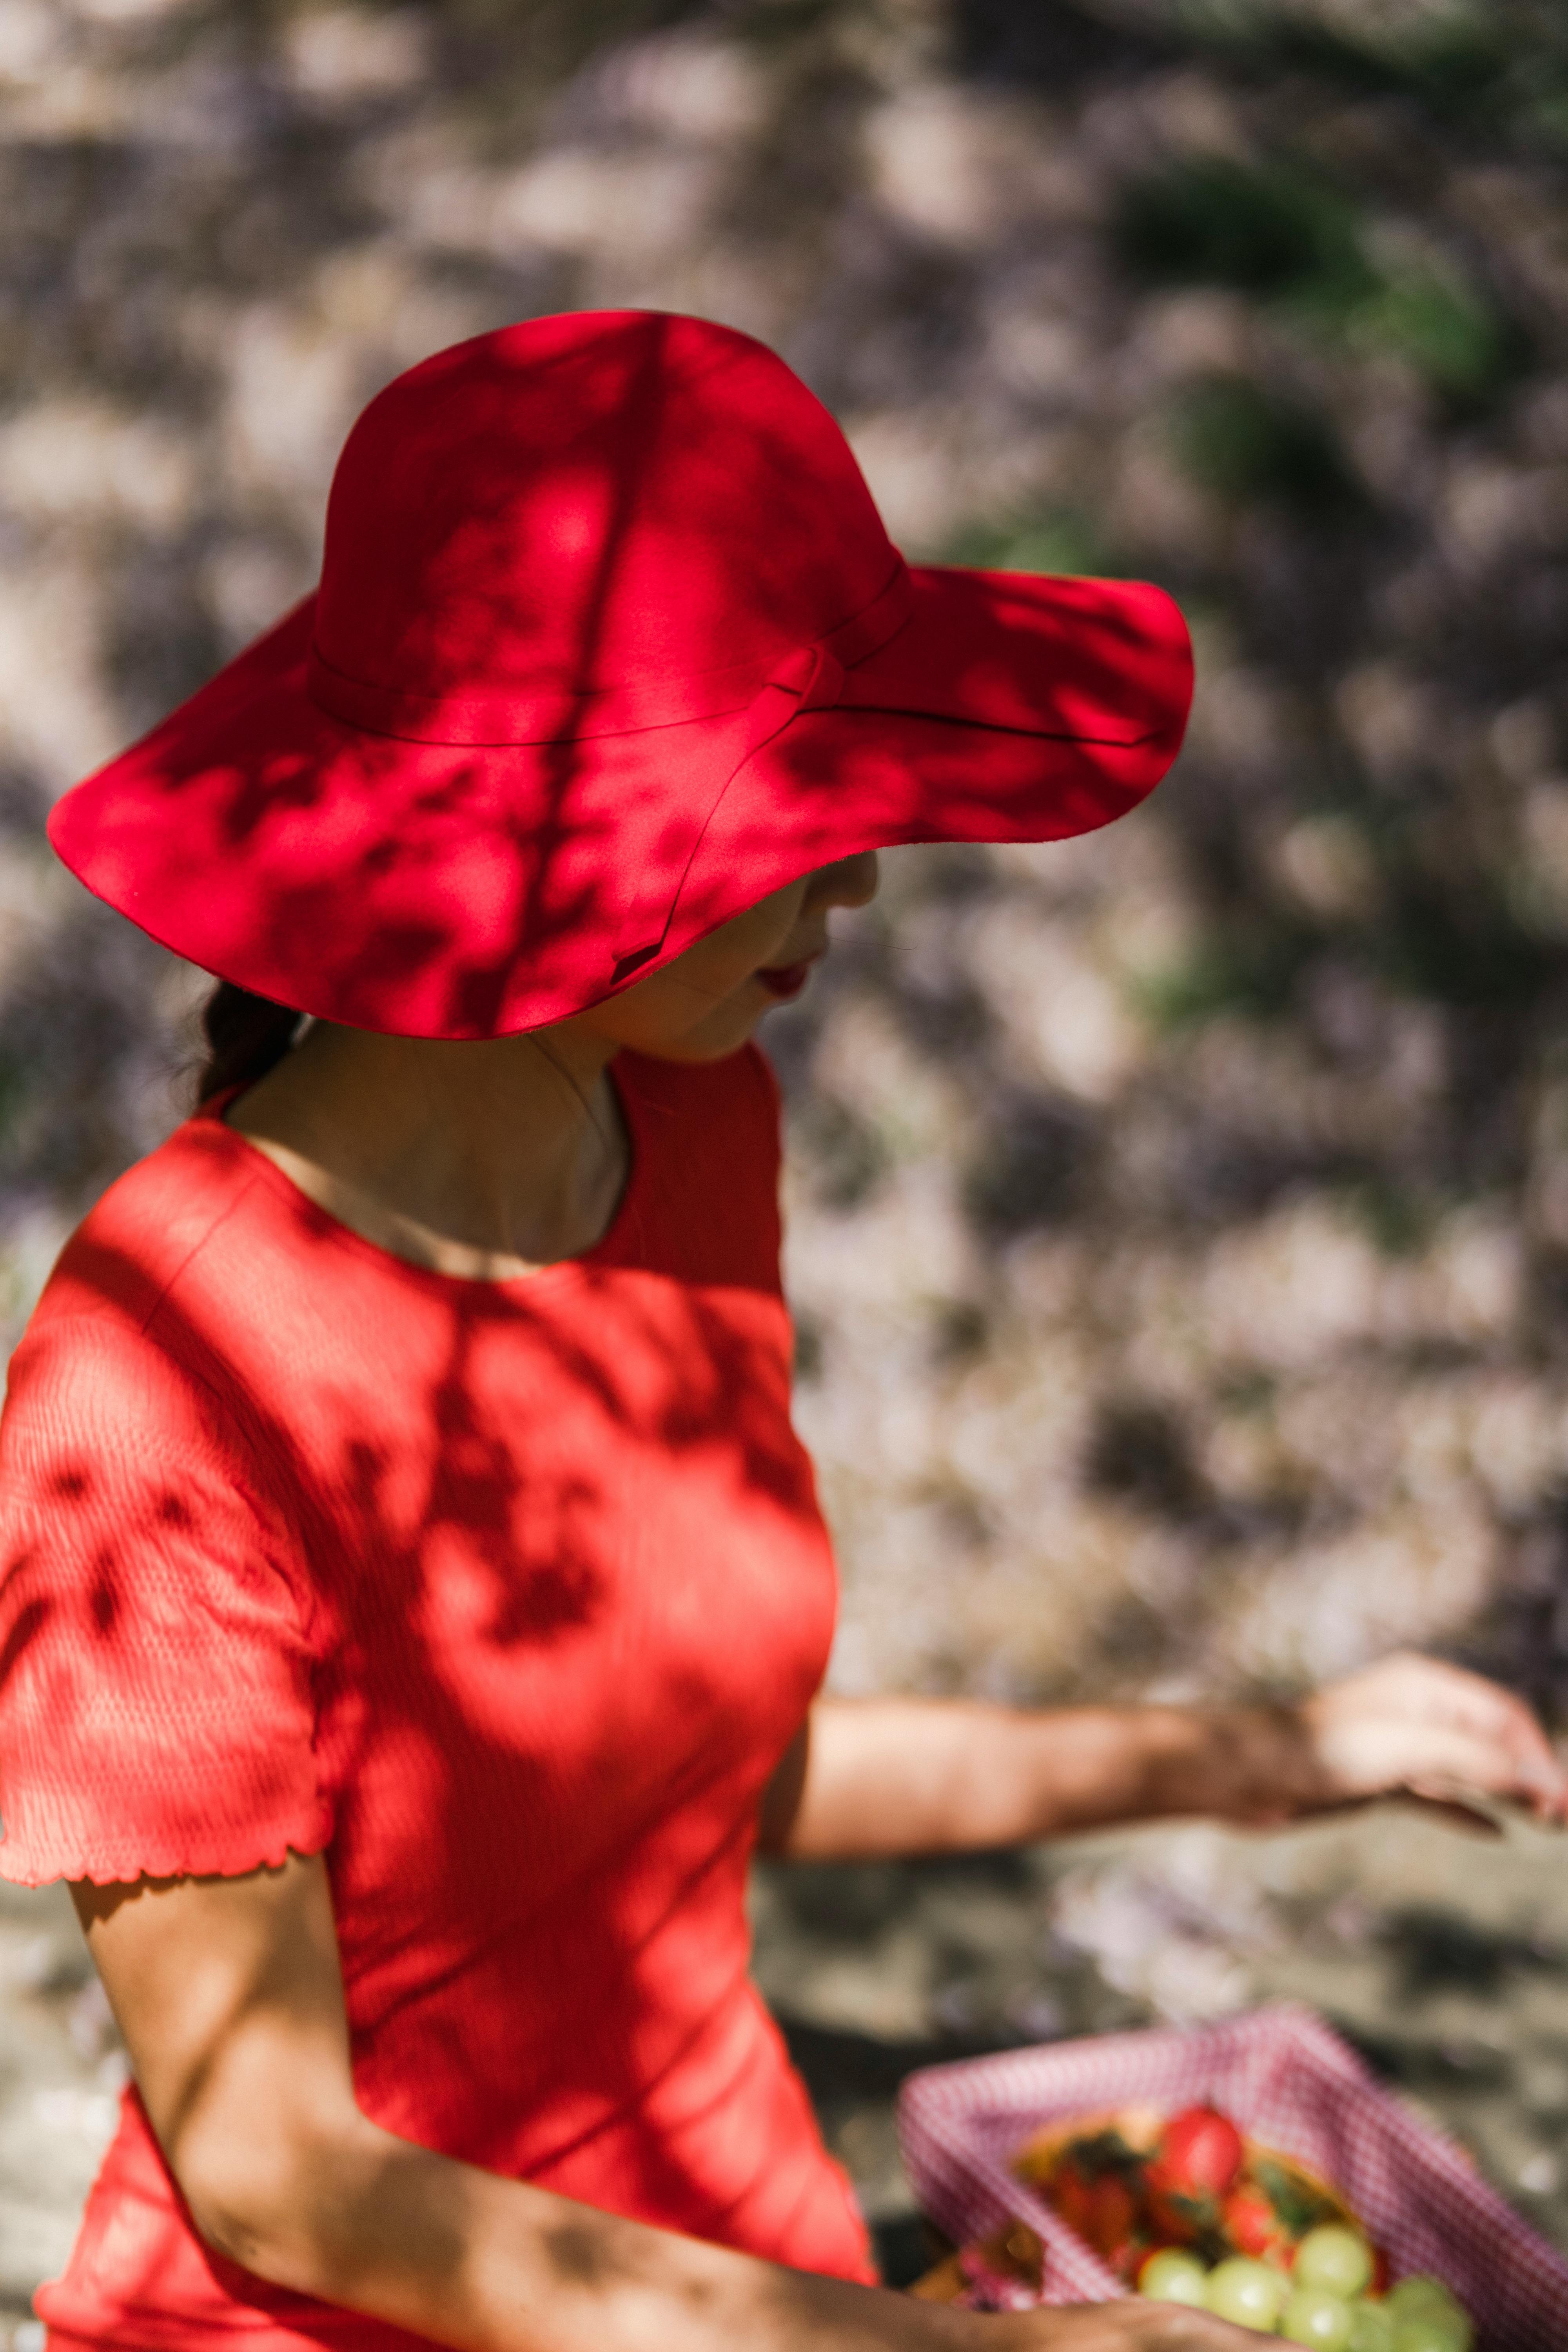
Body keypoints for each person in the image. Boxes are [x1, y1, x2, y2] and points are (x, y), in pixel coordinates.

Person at [0, 311, 1561, 2352]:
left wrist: (1256, 1758)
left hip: (751, 2251)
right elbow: (284, 2174)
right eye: (795, 817)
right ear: (571, 869)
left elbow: (691, 1766)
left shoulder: (688, 1113)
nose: (864, 883)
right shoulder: (154, 1403)